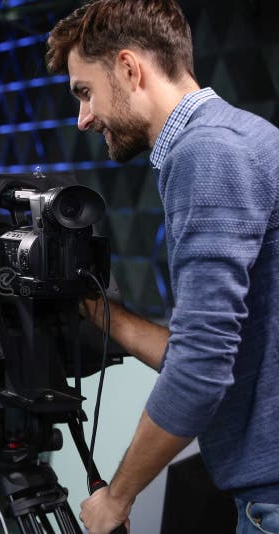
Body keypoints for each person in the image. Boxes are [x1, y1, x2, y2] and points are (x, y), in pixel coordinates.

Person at [46, 1, 279, 533]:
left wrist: (118, 497)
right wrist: (106, 317)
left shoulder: (208, 154)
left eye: (84, 92)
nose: (83, 118)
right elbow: (227, 354)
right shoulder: (238, 136)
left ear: (129, 68)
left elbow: (202, 367)